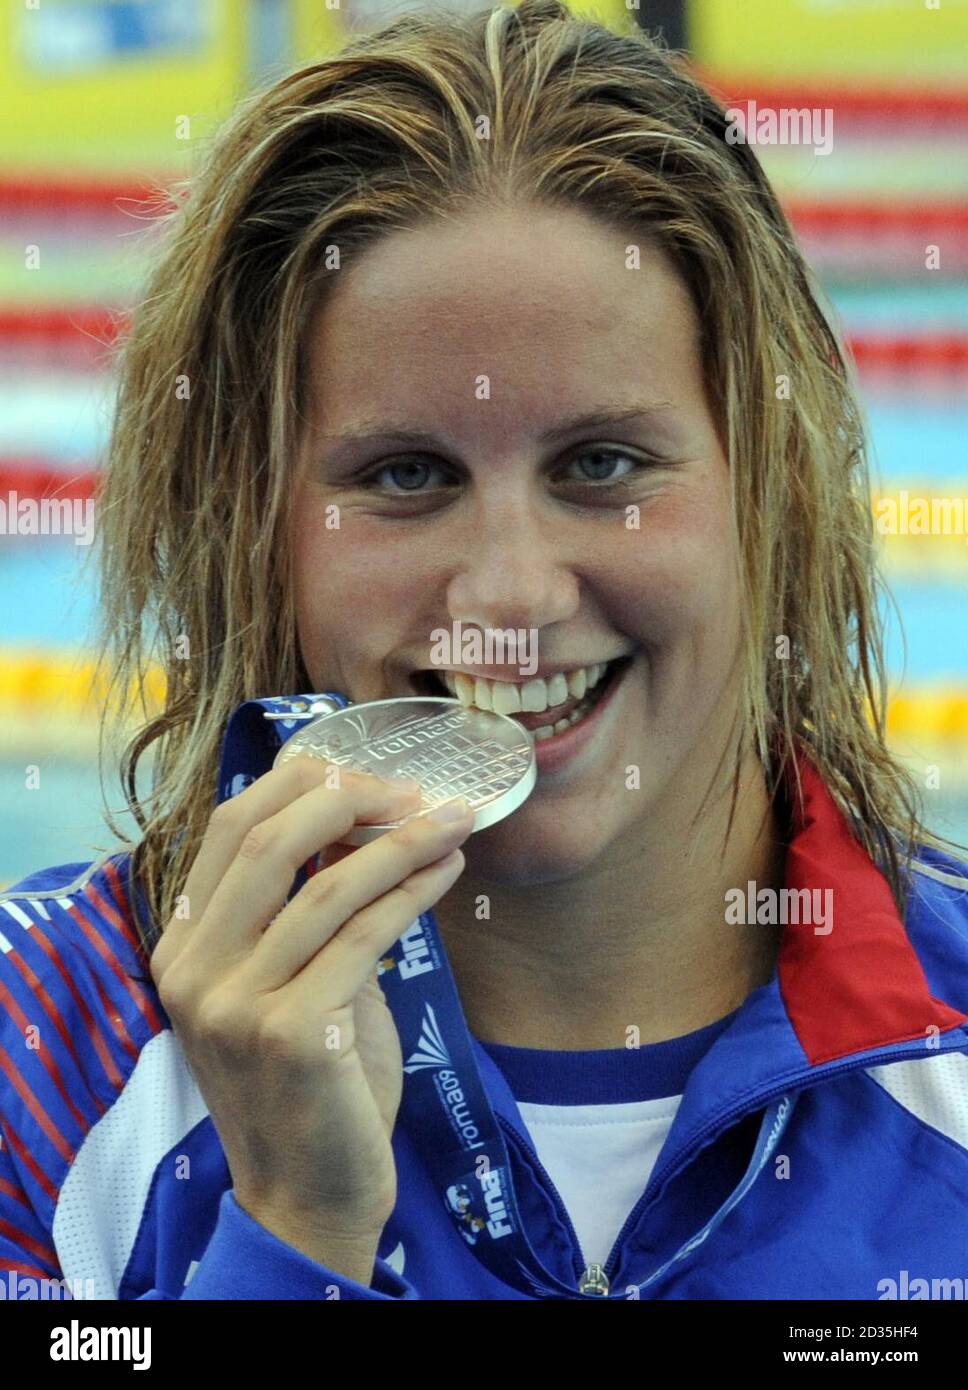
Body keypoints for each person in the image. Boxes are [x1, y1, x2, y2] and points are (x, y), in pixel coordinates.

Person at [2, 0, 967, 1303]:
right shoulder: (41, 1053)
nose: (509, 592)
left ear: (768, 488)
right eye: (405, 474)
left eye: (603, 463)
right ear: (259, 522)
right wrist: (289, 1227)